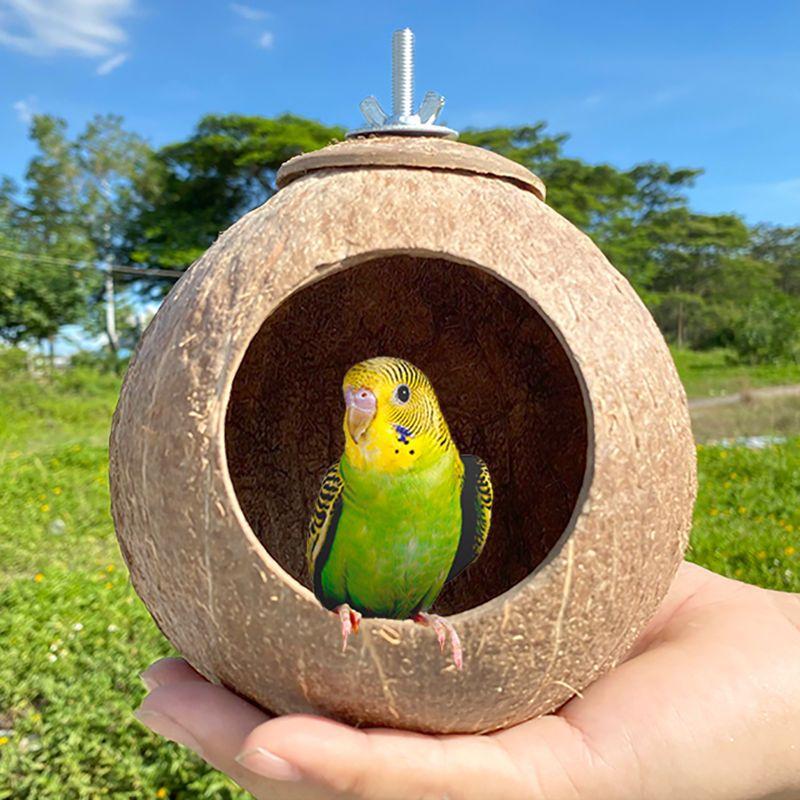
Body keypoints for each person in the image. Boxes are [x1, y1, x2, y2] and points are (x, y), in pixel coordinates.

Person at [135, 561, 800, 799]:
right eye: (353, 397)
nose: (361, 409)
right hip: (340, 614)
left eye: (394, 398)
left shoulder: (462, 483)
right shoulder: (344, 478)